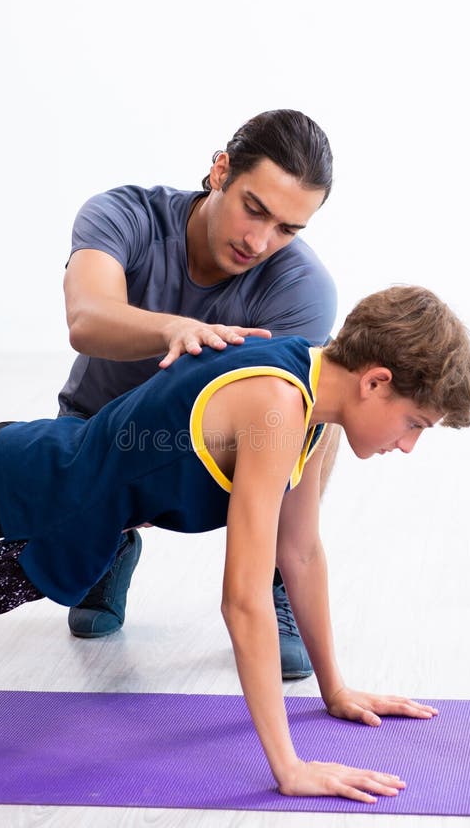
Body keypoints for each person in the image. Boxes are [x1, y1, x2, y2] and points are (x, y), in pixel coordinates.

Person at [0, 285, 470, 801]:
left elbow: (300, 552)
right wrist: (288, 768)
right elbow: (243, 601)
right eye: (414, 424)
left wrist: (334, 690)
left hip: (53, 502)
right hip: (20, 492)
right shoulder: (278, 405)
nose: (407, 445)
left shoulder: (315, 405)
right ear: (375, 382)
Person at [59, 108, 339, 680]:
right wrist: (173, 329)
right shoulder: (124, 214)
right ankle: (109, 545)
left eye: (287, 229)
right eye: (254, 209)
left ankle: (277, 579)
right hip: (102, 428)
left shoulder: (303, 286)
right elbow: (86, 318)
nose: (261, 241)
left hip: (209, 449)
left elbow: (284, 419)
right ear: (220, 171)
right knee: (55, 538)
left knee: (319, 407)